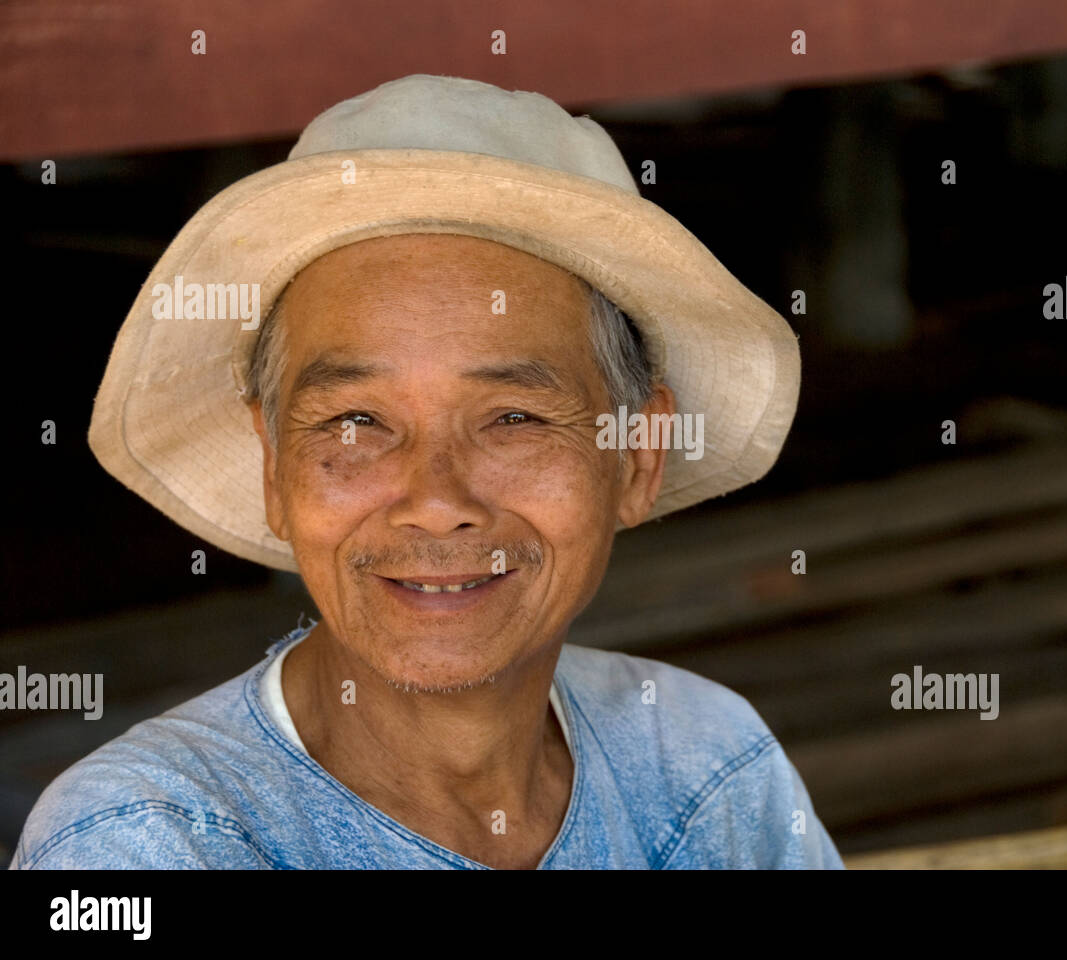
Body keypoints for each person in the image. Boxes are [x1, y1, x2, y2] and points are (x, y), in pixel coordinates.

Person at [11, 75, 839, 869]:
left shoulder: (705, 764)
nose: (436, 503)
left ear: (637, 455)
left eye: (514, 419)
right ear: (274, 466)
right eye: (355, 423)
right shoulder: (146, 844)